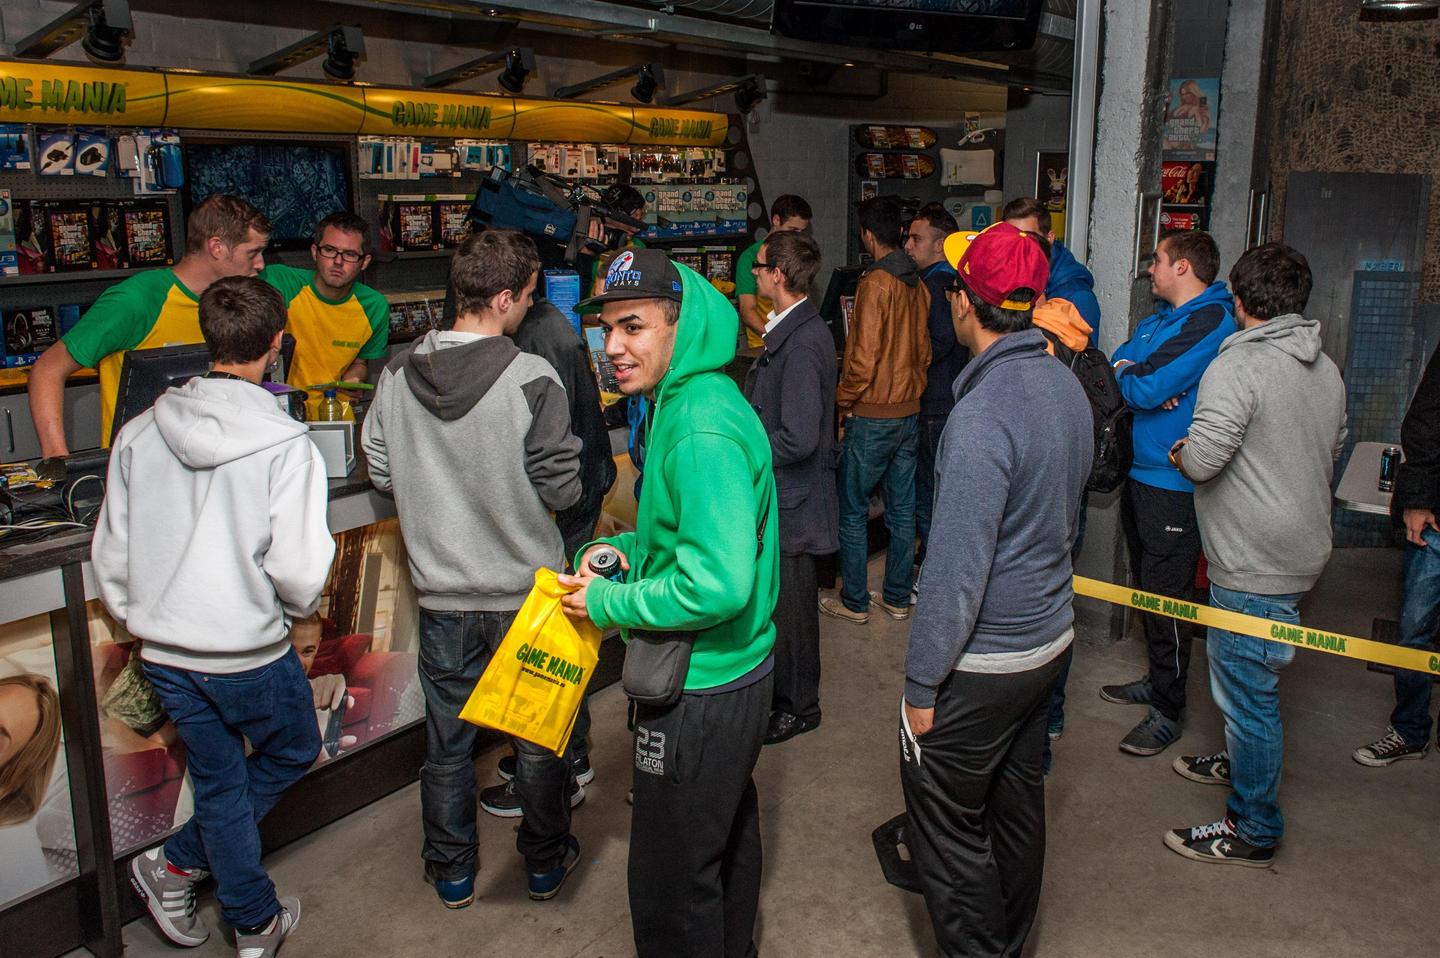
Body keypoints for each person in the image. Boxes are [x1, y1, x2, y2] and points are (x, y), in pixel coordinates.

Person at [95, 275, 334, 958]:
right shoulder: (286, 441)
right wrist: (295, 612)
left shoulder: (142, 429)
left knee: (222, 781)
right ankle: (243, 913)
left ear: (208, 339)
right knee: (289, 750)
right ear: (278, 342)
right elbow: (298, 567)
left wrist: (145, 616)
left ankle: (192, 878)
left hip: (167, 654)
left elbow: (112, 549)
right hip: (247, 653)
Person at [558, 248, 778, 958]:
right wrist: (630, 560)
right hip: (730, 676)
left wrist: (611, 603)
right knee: (723, 842)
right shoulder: (688, 398)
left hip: (703, 688)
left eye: (634, 327)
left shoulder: (699, 425)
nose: (613, 347)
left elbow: (717, 584)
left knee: (670, 885)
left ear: (680, 327)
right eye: (607, 328)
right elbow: (699, 543)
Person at [361, 228, 584, 908]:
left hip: (443, 602)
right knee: (539, 745)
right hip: (526, 596)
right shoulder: (531, 378)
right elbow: (563, 489)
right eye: (526, 302)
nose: (526, 315)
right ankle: (544, 863)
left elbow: (377, 466)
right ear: (506, 296)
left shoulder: (396, 374)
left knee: (448, 748)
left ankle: (452, 870)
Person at [900, 222, 1091, 957]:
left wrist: (922, 683)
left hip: (984, 663)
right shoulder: (1062, 382)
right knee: (1015, 805)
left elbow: (955, 570)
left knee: (946, 832)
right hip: (1049, 642)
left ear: (962, 302)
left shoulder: (979, 415)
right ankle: (1012, 941)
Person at [1164, 243, 1345, 865]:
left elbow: (1207, 461)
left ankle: (1253, 827)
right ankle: (1239, 760)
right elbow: (1331, 444)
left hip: (1254, 558)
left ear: (1239, 301)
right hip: (1302, 547)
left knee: (1250, 700)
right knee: (1248, 685)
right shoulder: (1325, 367)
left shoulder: (1235, 367)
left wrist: (1182, 451)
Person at [481, 269, 620, 810]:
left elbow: (546, 443)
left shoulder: (535, 339)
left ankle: (563, 762)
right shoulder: (549, 325)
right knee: (561, 630)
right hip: (581, 489)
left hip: (565, 502)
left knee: (552, 637)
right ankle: (566, 757)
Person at [1101, 229, 1235, 756]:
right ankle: (1158, 681)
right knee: (1149, 588)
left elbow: (1145, 385)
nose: (1150, 269)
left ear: (1183, 268)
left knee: (1170, 597)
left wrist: (1138, 380)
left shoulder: (1211, 319)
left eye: (1158, 260)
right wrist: (1134, 377)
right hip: (1139, 472)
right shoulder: (1159, 320)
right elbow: (1117, 367)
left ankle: (1168, 710)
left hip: (1174, 483)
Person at [28, 195, 271, 455]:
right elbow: (48, 369)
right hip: (136, 468)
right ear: (217, 247)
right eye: (252, 253)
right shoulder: (137, 299)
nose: (260, 264)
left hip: (213, 458)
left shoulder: (234, 302)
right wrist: (57, 460)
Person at [743, 229, 837, 745]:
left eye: (759, 267)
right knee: (786, 605)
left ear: (778, 274)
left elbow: (798, 438)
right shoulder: (792, 329)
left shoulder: (801, 342)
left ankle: (800, 706)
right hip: (788, 498)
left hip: (795, 502)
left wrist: (746, 452)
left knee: (795, 611)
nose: (754, 275)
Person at [822, 194, 930, 625]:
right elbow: (923, 353)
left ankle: (854, 602)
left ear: (867, 235)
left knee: (851, 509)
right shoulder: (917, 283)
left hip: (873, 415)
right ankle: (898, 597)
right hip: (909, 412)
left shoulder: (875, 283)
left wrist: (842, 400)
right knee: (903, 509)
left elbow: (862, 358)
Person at [1353, 344, 1440, 766]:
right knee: (1414, 631)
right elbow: (1425, 419)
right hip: (1438, 520)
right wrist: (1419, 499)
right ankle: (1409, 729)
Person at [259, 211, 390, 418]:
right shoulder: (280, 281)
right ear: (314, 251)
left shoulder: (374, 306)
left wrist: (354, 380)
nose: (338, 261)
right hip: (277, 415)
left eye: (349, 254)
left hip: (334, 415)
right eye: (329, 250)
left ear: (364, 262)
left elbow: (359, 363)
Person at [903, 202, 967, 580]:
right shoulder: (950, 283)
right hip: (947, 401)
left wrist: (909, 361)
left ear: (941, 244)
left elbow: (939, 339)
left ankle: (933, 572)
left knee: (929, 492)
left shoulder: (937, 285)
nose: (909, 246)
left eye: (917, 238)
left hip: (935, 403)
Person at [1002, 196, 1101, 344]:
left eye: (1029, 238)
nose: (1019, 246)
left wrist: (1042, 319)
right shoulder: (1007, 279)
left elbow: (1080, 365)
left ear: (1049, 238)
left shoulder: (1077, 296)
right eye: (1012, 238)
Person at [735, 194, 813, 349]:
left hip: (794, 341)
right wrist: (774, 338)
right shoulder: (750, 257)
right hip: (762, 344)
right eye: (792, 229)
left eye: (801, 231)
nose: (797, 236)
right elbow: (747, 309)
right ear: (776, 220)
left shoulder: (798, 255)